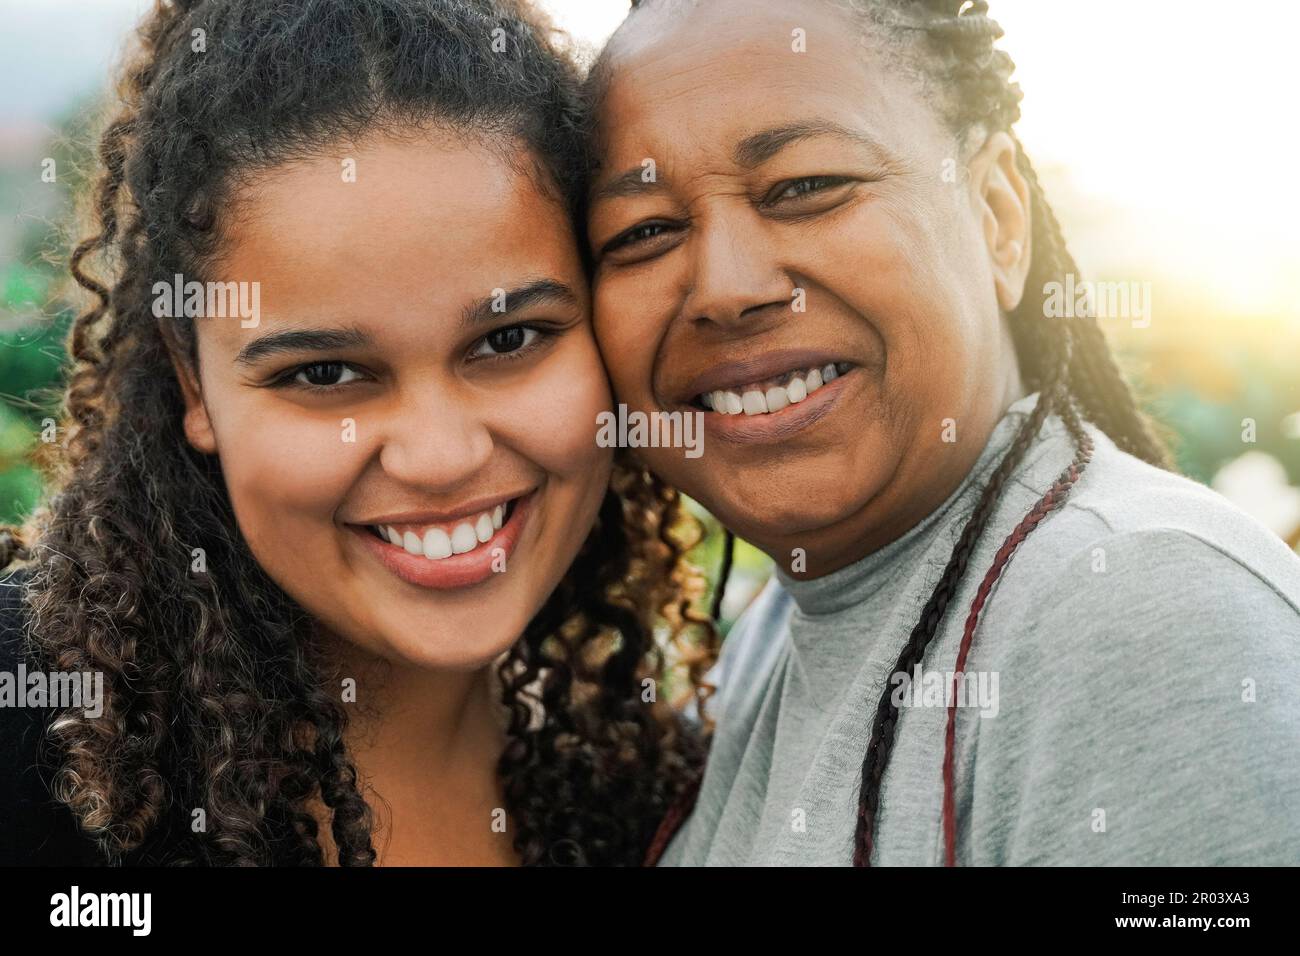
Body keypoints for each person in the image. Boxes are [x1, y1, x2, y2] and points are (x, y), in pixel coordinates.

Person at [584, 0, 1300, 865]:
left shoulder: (1146, 611)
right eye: (644, 231)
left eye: (806, 187)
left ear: (998, 215)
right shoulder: (787, 619)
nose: (727, 288)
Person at [0, 0, 713, 866]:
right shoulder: (39, 728)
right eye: (325, 374)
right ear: (194, 382)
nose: (441, 457)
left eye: (506, 340)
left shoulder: (652, 803)